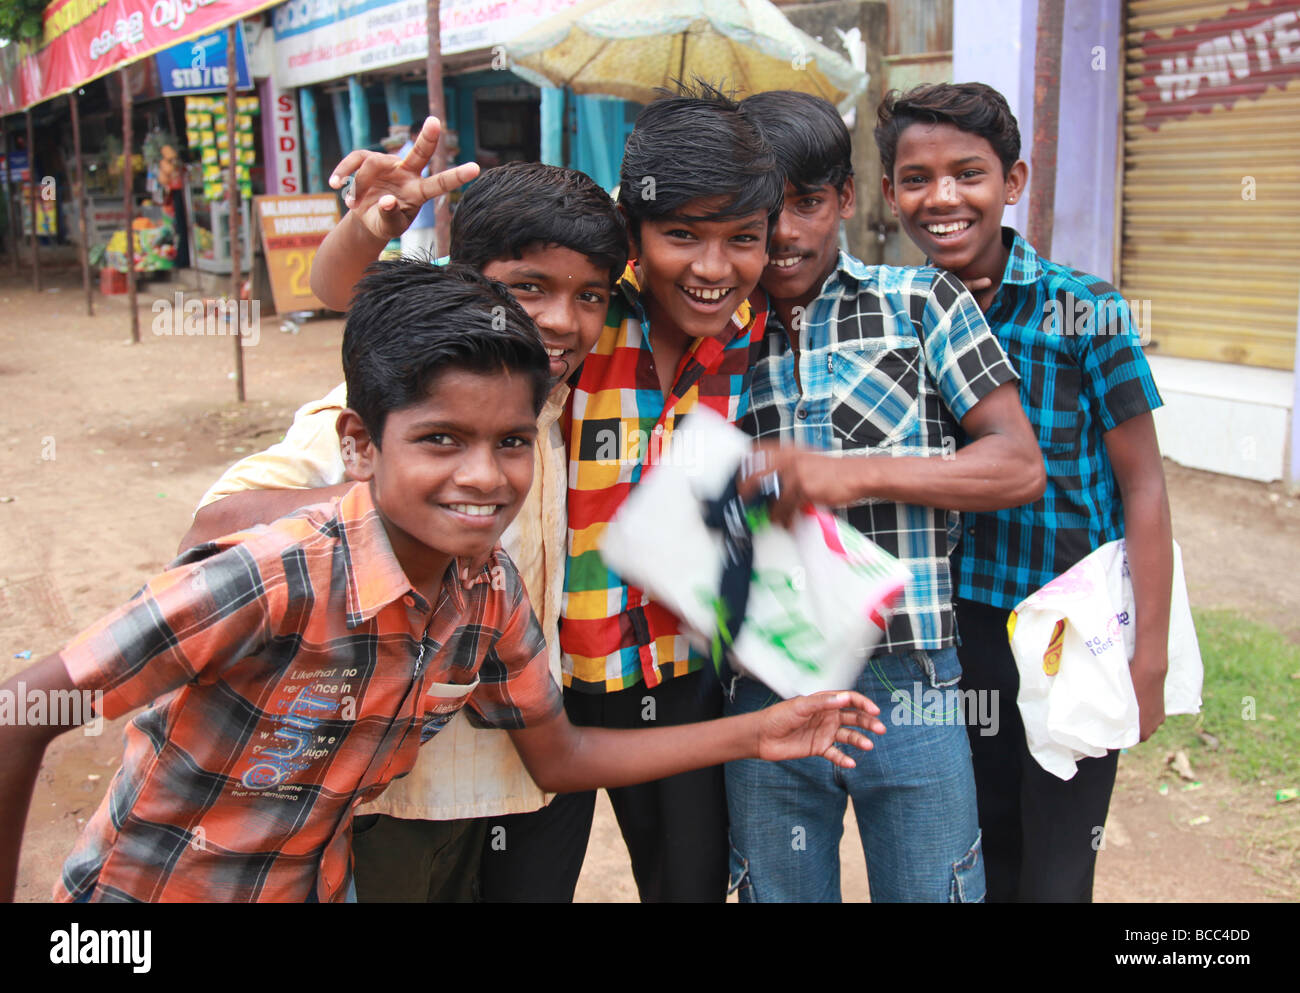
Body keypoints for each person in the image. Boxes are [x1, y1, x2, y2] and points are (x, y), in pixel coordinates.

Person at [0, 261, 886, 904]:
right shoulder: (276, 574)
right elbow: (21, 709)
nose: (484, 477)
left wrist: (760, 730)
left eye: (509, 442)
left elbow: (562, 756)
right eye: (439, 440)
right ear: (359, 443)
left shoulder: (486, 593)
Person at [181, 127, 628, 903]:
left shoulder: (553, 402)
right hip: (391, 798)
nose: (562, 321)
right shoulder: (400, 408)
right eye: (529, 288)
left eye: (590, 296)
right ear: (468, 286)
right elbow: (216, 522)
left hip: (519, 778)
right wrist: (407, 503)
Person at [721, 89, 1046, 903]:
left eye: (808, 202)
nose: (787, 232)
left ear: (848, 199)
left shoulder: (922, 302)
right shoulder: (716, 333)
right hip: (767, 678)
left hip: (911, 679)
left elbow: (1016, 464)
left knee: (934, 890)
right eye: (765, 210)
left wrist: (854, 471)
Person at [875, 81, 1172, 903]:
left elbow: (1144, 486)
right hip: (952, 632)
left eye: (967, 173)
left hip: (1071, 630)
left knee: (1058, 863)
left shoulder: (1086, 311)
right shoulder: (893, 316)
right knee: (977, 845)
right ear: (891, 191)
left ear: (1013, 181)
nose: (941, 198)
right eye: (915, 177)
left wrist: (1149, 656)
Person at [554, 82, 783, 902]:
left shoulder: (762, 331)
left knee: (688, 884)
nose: (712, 267)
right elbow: (389, 307)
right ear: (632, 232)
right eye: (681, 234)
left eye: (741, 239)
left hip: (682, 671)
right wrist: (370, 227)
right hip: (547, 675)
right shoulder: (573, 311)